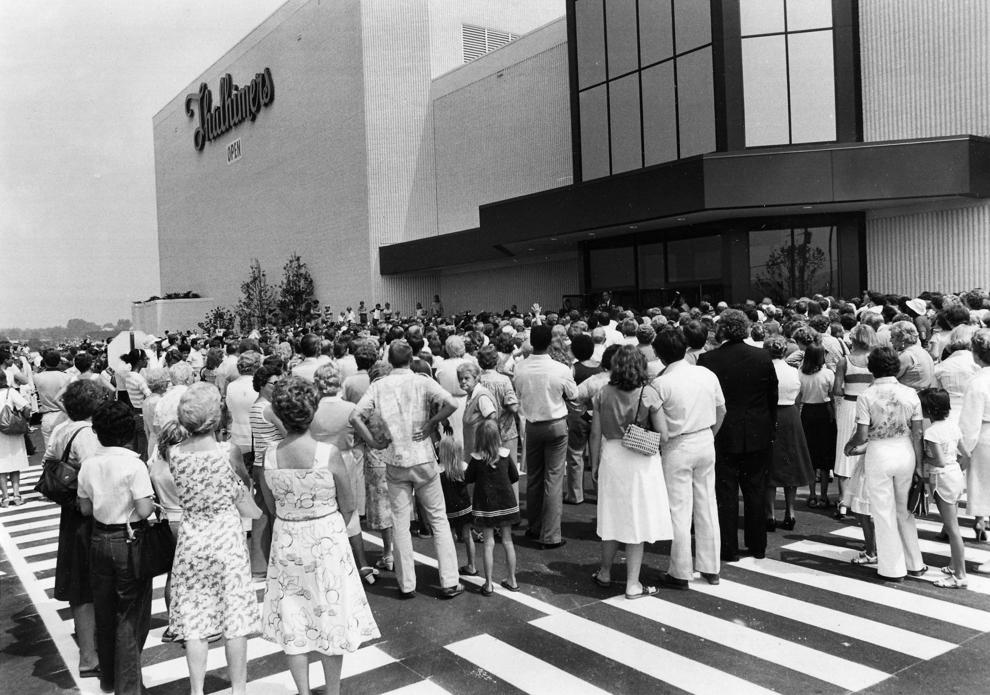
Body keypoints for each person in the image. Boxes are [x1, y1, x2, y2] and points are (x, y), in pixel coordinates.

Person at [263, 376, 380, 695]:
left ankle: (303, 691)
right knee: (330, 613)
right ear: (311, 411)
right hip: (325, 535)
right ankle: (332, 691)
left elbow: (271, 503)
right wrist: (331, 523)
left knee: (294, 616)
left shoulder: (271, 454)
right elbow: (349, 502)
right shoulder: (326, 453)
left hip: (288, 536)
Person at [160, 383, 260, 695]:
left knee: (194, 619)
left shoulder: (174, 453)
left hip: (192, 536)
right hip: (226, 534)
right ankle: (238, 688)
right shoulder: (227, 451)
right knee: (235, 617)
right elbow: (242, 481)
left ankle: (197, 688)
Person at [350, 339, 464, 599]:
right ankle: (449, 580)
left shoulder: (379, 385)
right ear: (411, 358)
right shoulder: (423, 381)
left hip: (395, 460)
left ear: (390, 360)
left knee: (400, 522)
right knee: (438, 518)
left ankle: (406, 583)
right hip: (423, 457)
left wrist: (372, 442)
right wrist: (431, 422)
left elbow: (355, 416)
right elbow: (452, 403)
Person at [77, 400, 155, 695]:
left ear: (97, 432)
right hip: (129, 538)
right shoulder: (134, 464)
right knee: (131, 616)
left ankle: (110, 678)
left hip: (99, 538)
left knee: (105, 611)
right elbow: (145, 509)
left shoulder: (89, 464)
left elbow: (84, 507)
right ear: (128, 432)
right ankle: (129, 686)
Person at [589, 345, 672, 598]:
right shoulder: (648, 394)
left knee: (612, 516)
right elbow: (664, 436)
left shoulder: (603, 392)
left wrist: (594, 464)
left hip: (612, 455)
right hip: (640, 460)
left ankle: (605, 571)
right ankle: (632, 583)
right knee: (637, 518)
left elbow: (595, 433)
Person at [698, 309, 778, 561]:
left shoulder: (708, 359)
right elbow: (771, 397)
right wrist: (769, 425)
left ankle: (728, 548)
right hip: (756, 429)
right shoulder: (762, 356)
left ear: (722, 329)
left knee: (726, 493)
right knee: (755, 490)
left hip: (724, 431)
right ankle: (757, 546)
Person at [843, 347, 926, 582]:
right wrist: (919, 465)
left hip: (879, 452)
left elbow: (861, 435)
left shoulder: (866, 396)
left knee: (883, 511)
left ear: (872, 368)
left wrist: (849, 446)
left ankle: (893, 568)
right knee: (904, 510)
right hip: (905, 450)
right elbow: (918, 433)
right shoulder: (910, 393)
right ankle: (915, 562)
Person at [652, 329, 725, 587]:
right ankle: (711, 567)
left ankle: (680, 571)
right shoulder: (707, 374)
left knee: (679, 510)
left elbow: (654, 424)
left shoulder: (659, 384)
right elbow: (721, 410)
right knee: (707, 503)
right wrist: (710, 434)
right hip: (705, 438)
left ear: (660, 356)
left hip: (677, 444)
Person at [46, 380, 107, 680]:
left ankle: (88, 651)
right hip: (89, 514)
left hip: (69, 514)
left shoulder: (61, 429)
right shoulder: (86, 435)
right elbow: (96, 475)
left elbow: (48, 462)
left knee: (79, 586)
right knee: (91, 585)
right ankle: (91, 653)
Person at [309, 363, 377, 584]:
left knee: (322, 511)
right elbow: (367, 435)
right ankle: (362, 563)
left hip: (317, 460)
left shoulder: (310, 409)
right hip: (346, 458)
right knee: (350, 511)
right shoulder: (350, 409)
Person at [513, 324, 578, 549]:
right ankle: (551, 534)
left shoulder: (520, 368)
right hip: (556, 424)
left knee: (534, 477)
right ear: (550, 341)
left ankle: (535, 526)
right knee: (554, 478)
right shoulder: (560, 368)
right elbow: (573, 393)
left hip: (532, 424)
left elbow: (518, 393)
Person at [918, 388, 968, 588]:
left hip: (942, 478)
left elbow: (937, 460)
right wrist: (955, 466)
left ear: (929, 410)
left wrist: (922, 457)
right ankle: (954, 565)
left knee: (952, 529)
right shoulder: (953, 426)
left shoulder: (931, 432)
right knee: (954, 525)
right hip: (956, 474)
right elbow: (966, 455)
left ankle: (960, 575)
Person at [763, 335, 813, 532]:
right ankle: (790, 512)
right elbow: (799, 395)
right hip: (790, 414)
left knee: (770, 465)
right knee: (790, 463)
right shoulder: (793, 371)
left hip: (772, 413)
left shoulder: (766, 370)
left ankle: (770, 513)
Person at [465, 419, 521, 595]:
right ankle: (512, 579)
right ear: (498, 436)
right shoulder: (505, 454)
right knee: (507, 541)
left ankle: (488, 584)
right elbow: (514, 476)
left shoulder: (476, 458)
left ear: (479, 438)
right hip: (506, 503)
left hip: (486, 505)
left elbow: (468, 478)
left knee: (488, 543)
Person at [832, 324, 878, 519]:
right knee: (867, 450)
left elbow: (836, 389)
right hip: (869, 406)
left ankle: (843, 501)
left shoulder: (844, 361)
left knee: (844, 451)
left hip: (849, 405)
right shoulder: (874, 360)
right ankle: (863, 499)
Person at [960, 328, 990, 550]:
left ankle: (981, 519)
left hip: (985, 436)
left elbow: (970, 422)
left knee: (981, 483)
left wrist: (964, 450)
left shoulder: (977, 382)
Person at [799, 344, 836, 507]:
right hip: (824, 411)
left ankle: (812, 494)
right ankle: (824, 495)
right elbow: (833, 395)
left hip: (807, 412)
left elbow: (798, 397)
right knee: (825, 456)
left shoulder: (800, 373)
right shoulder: (828, 373)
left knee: (811, 455)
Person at [438, 434, 477, 577]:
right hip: (465, 507)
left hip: (448, 510)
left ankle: (452, 567)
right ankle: (472, 565)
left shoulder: (439, 470)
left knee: (451, 538)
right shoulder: (463, 466)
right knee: (468, 536)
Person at [0, 369, 31, 506]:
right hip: (11, 431)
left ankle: (5, 497)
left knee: (1, 466)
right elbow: (27, 406)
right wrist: (25, 417)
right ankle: (17, 495)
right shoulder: (10, 392)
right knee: (14, 464)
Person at [458, 362, 496, 468]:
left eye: (466, 378)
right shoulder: (471, 395)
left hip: (481, 452)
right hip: (473, 450)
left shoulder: (481, 397)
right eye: (460, 379)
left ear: (476, 378)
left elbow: (492, 419)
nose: (463, 381)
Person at [33, 350, 71, 449]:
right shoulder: (67, 377)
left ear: (44, 362)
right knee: (67, 449)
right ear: (59, 361)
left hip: (47, 416)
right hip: (64, 414)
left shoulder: (37, 377)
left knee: (50, 450)